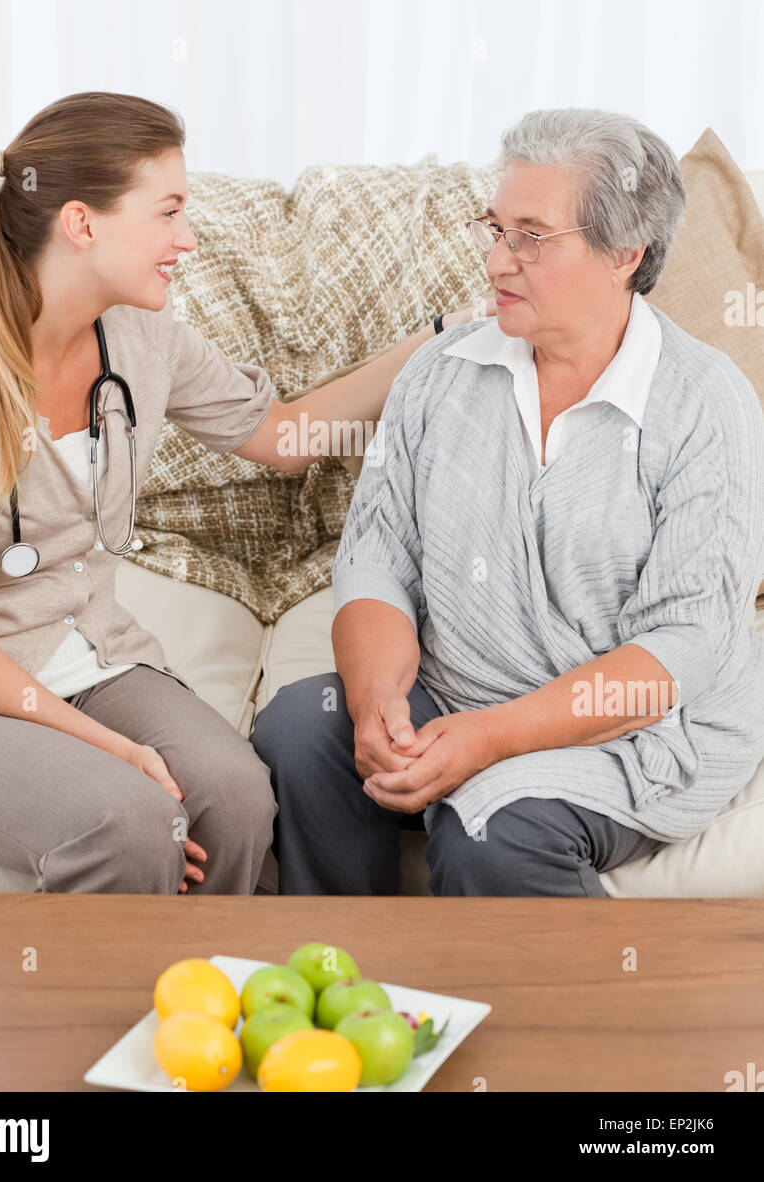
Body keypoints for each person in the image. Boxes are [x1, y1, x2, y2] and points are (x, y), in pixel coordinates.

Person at [0, 89, 484, 895]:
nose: (189, 239)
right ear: (82, 223)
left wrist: (443, 338)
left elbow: (283, 438)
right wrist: (112, 750)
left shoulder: (142, 341)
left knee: (238, 798)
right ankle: (103, 1017)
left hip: (95, 653)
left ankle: (200, 1004)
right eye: (168, 212)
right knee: (129, 820)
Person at [251, 106, 764, 898]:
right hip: (459, 692)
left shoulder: (707, 405)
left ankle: (556, 1016)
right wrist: (378, 702)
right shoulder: (441, 371)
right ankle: (350, 985)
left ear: (625, 252)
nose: (496, 262)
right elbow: (377, 562)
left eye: (530, 236)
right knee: (298, 728)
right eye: (494, 230)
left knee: (490, 828)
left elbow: (682, 650)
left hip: (638, 731)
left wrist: (490, 740)